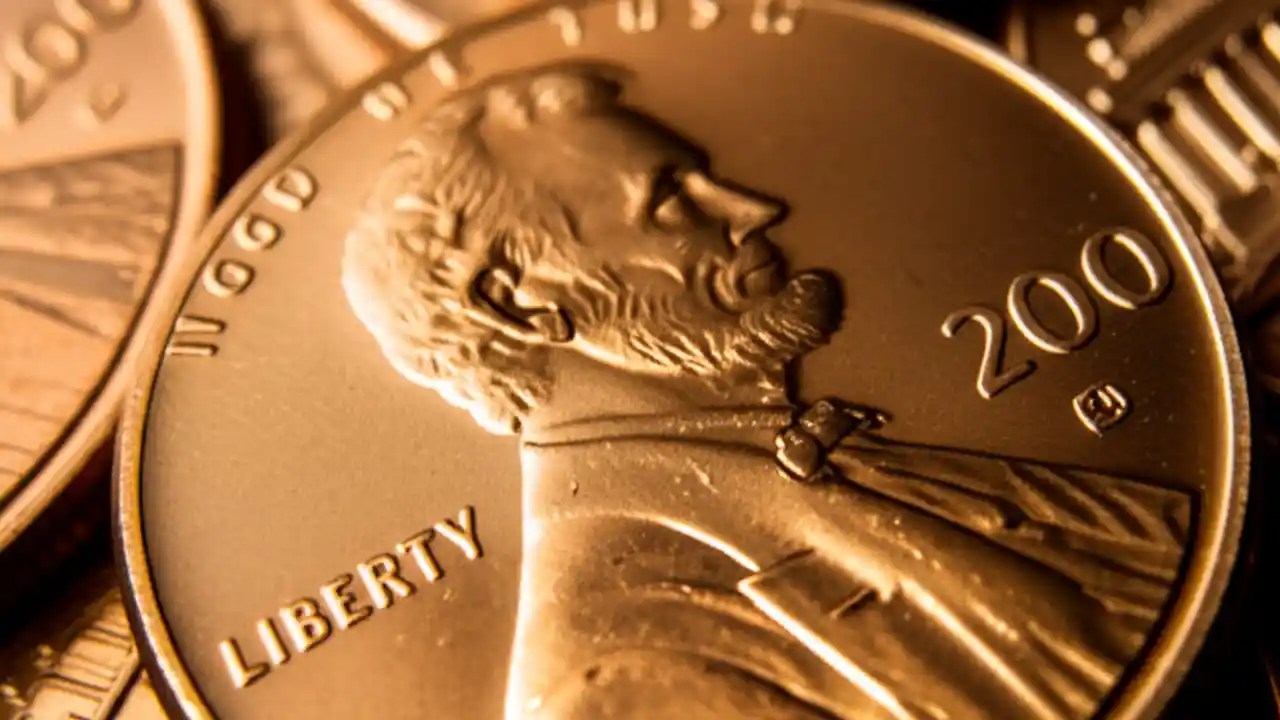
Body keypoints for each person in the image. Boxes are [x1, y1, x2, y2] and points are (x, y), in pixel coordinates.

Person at [343, 66, 1192, 720]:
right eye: (671, 199)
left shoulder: (840, 452)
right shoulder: (622, 678)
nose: (758, 206)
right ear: (522, 304)